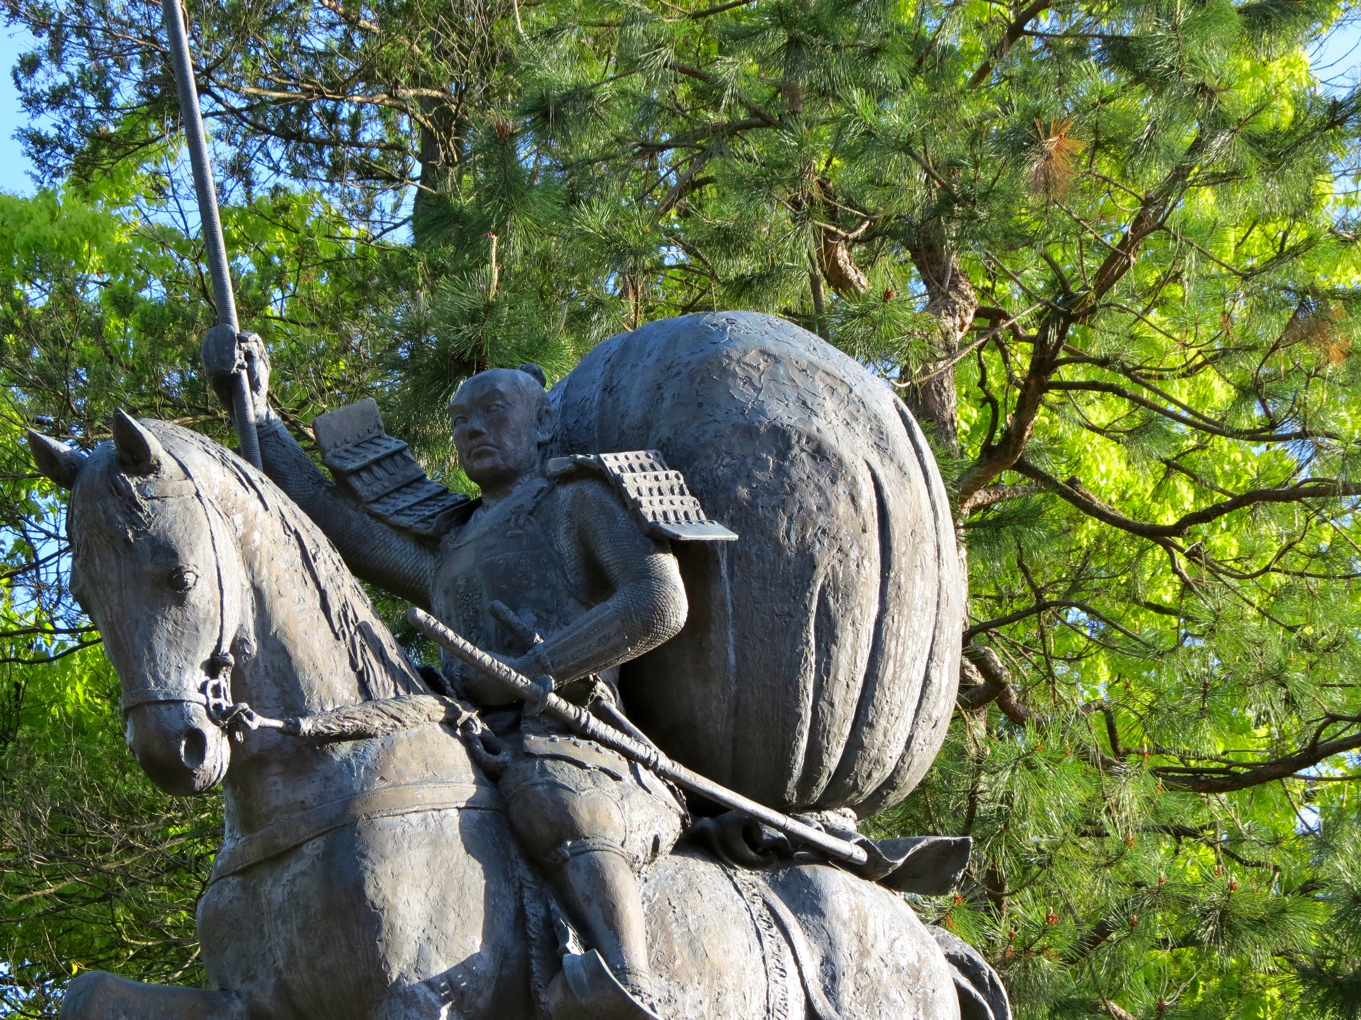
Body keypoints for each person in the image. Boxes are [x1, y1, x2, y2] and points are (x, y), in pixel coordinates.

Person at [222, 342, 689, 1020]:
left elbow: (656, 603)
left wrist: (533, 673)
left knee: (553, 796)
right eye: (460, 420)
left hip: (579, 742)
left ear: (543, 423)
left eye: (493, 411)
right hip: (466, 734)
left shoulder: (580, 499)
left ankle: (629, 981)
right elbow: (327, 518)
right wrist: (255, 410)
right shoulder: (453, 544)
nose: (471, 428)